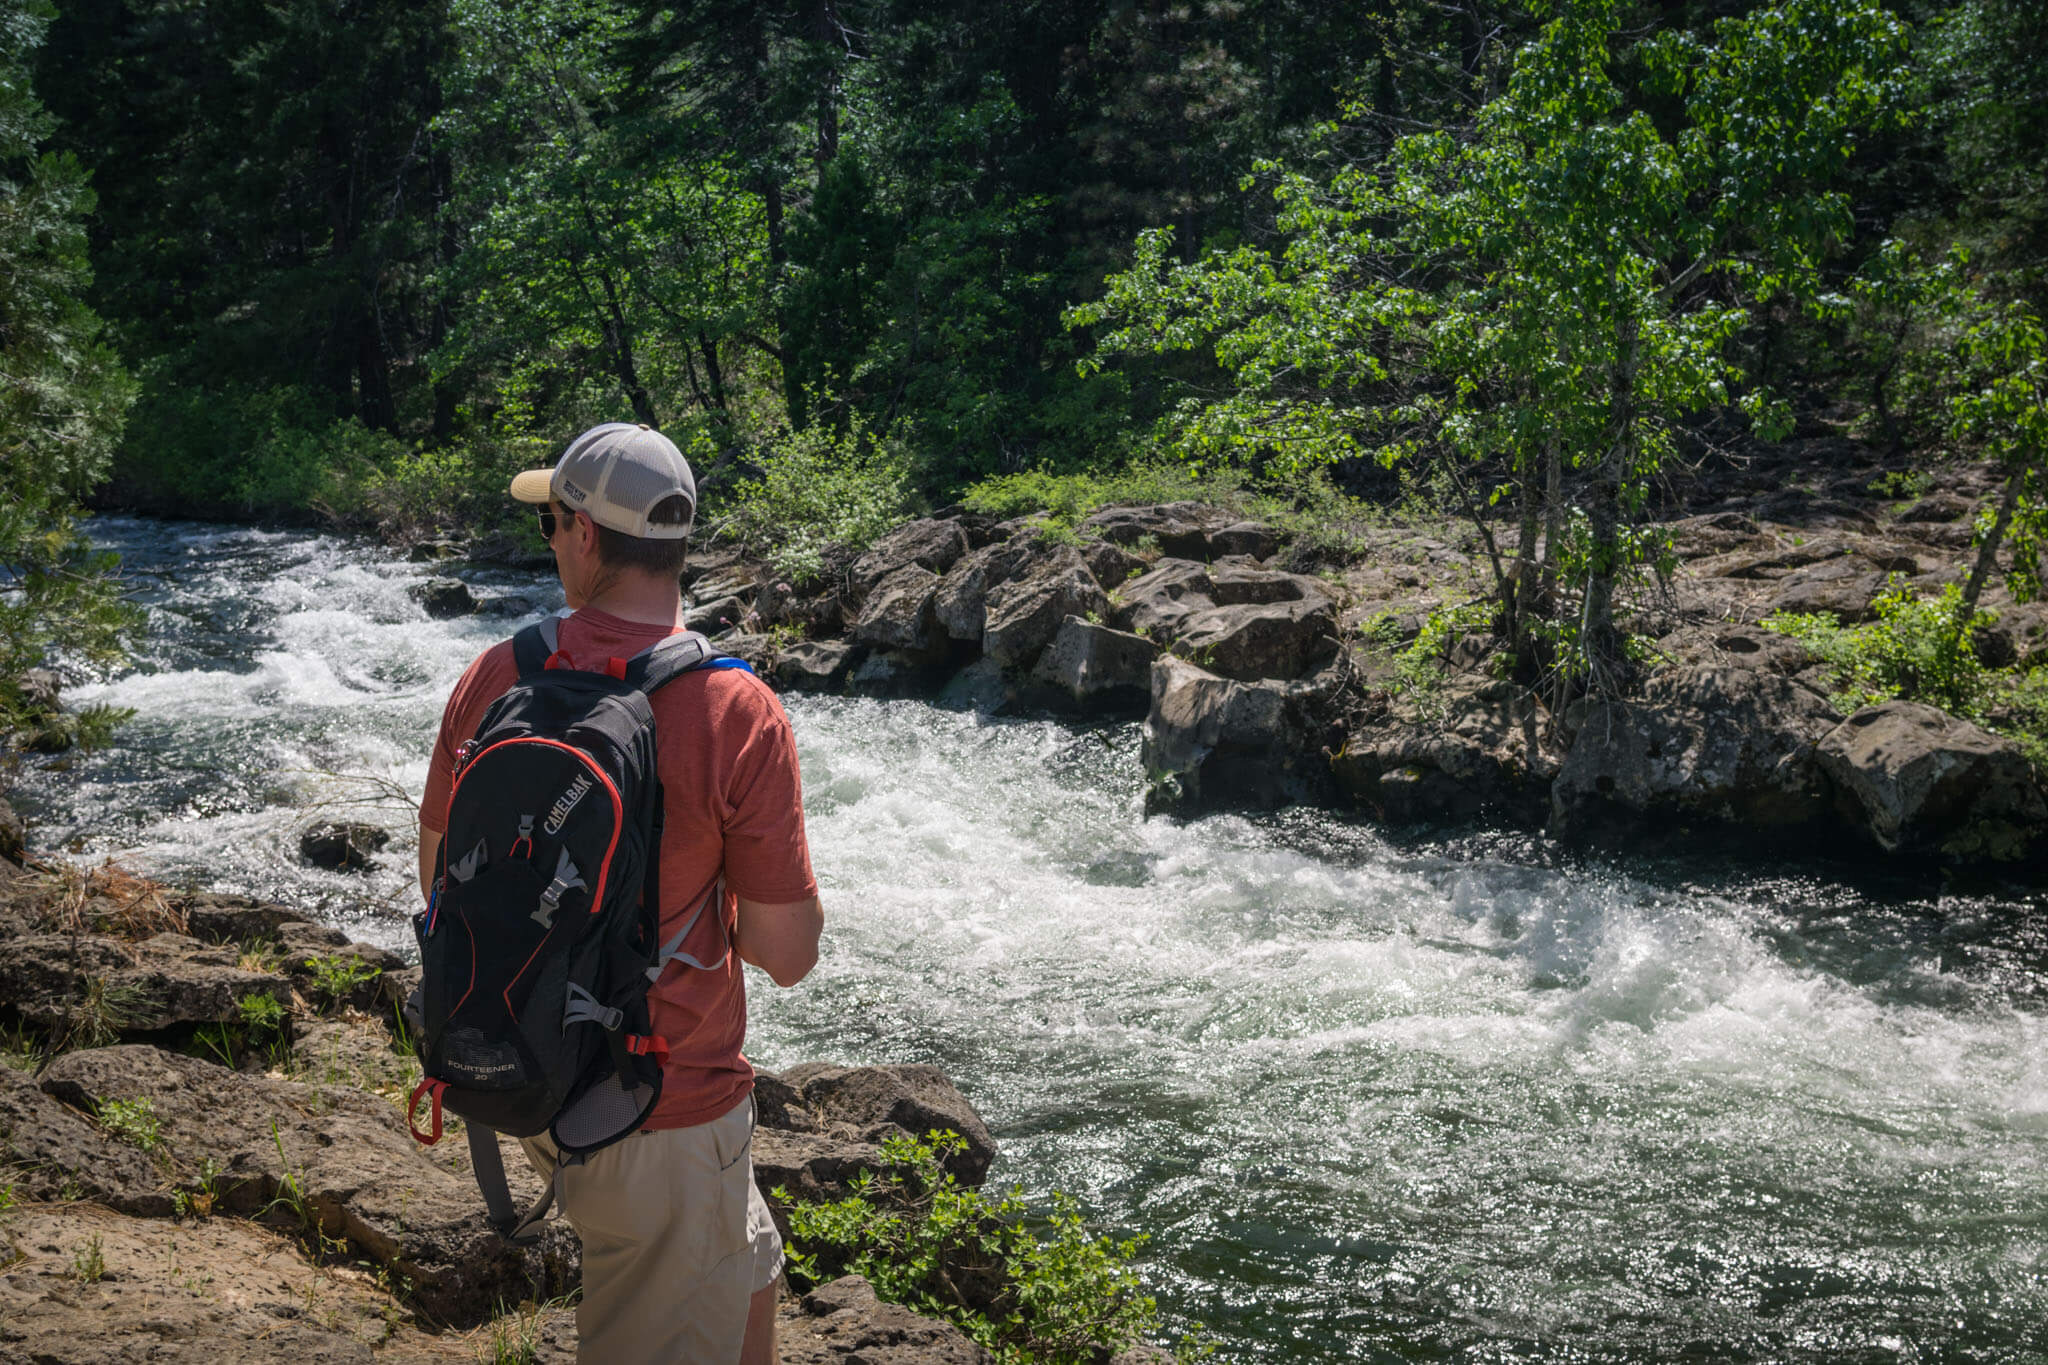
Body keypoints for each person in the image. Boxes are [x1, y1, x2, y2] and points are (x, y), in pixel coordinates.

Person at [416, 421, 824, 1364]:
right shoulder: (737, 710)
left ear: (588, 535)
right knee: (697, 1239)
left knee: (746, 1266)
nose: (552, 541)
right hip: (662, 1105)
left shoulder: (497, 676)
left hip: (529, 1071)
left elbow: (440, 878)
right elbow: (788, 954)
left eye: (553, 522)